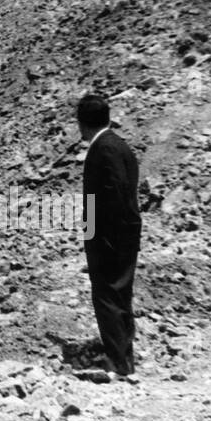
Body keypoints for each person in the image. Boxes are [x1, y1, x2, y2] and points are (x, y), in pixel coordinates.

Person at [76, 93, 142, 380]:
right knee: (120, 293)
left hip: (109, 236)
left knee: (106, 294)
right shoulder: (119, 145)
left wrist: (96, 234)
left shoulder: (103, 149)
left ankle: (117, 363)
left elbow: (112, 194)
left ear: (82, 123)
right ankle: (124, 356)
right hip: (123, 232)